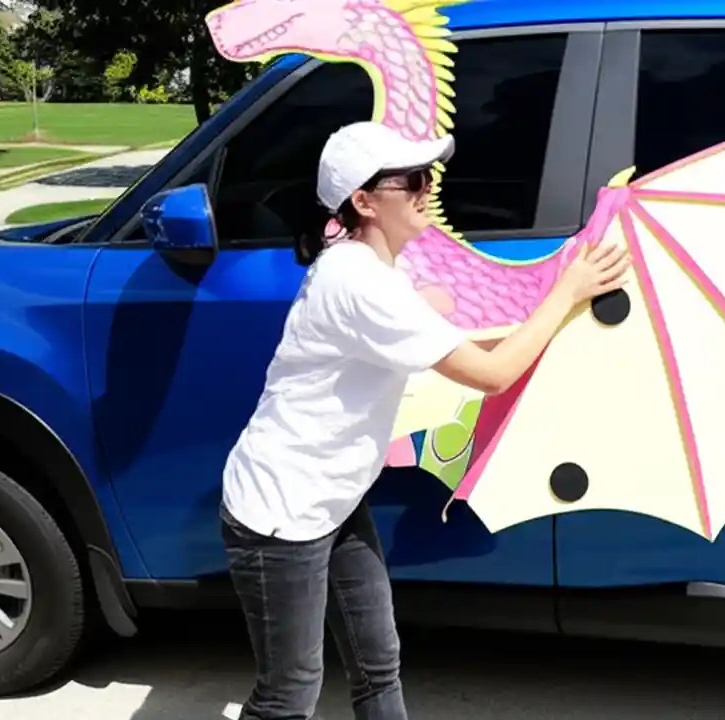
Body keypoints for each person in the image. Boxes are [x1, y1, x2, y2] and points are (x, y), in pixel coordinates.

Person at [217, 120, 631, 720]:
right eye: (410, 180)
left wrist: (501, 304)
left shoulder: (371, 263)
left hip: (333, 499)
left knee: (378, 664)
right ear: (362, 201)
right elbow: (492, 375)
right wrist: (564, 294)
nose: (425, 189)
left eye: (428, 175)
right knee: (289, 694)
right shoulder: (358, 282)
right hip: (281, 516)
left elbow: (429, 319)